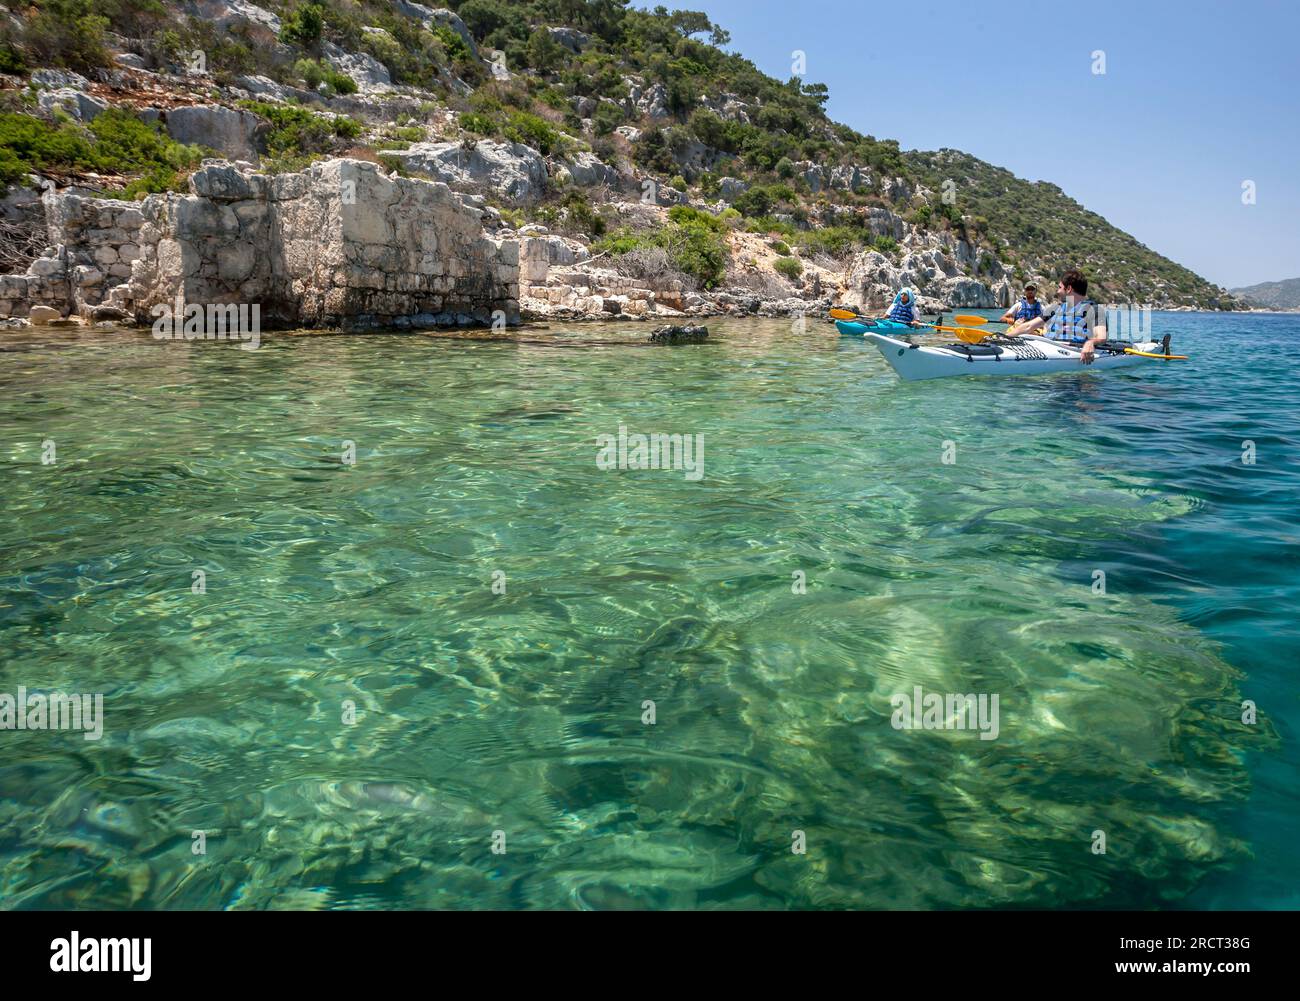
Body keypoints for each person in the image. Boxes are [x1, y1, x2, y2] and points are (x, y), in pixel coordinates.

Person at [1011, 268, 1108, 362]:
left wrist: (1090, 343)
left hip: (1074, 353)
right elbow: (1028, 326)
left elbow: (1101, 336)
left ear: (1069, 289)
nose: (1058, 291)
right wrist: (1002, 338)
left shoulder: (1095, 310)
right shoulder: (1055, 309)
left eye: (1060, 287)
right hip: (1049, 349)